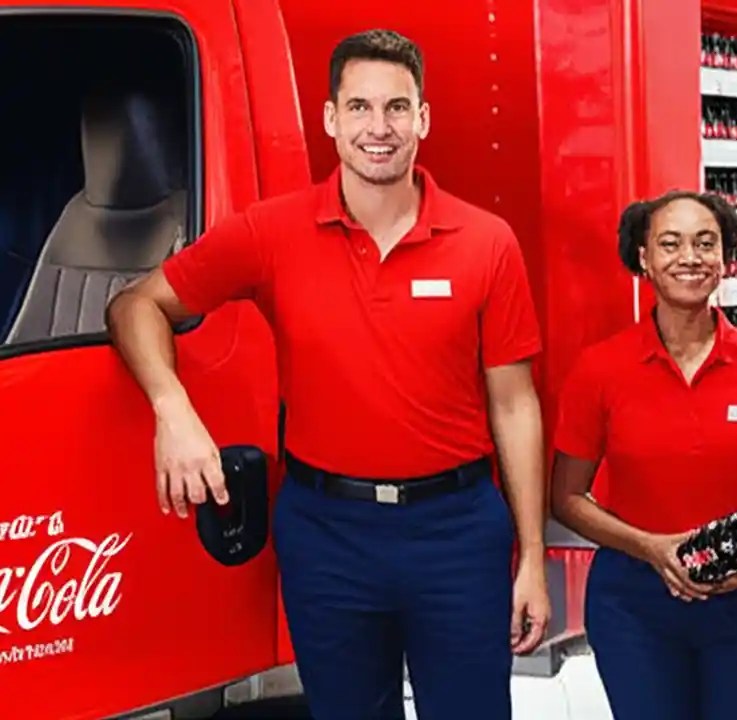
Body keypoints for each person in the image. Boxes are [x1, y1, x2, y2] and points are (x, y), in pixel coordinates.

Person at [105, 29, 550, 720]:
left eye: (398, 108)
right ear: (330, 118)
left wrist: (531, 556)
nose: (380, 128)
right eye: (362, 108)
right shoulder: (270, 232)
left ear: (423, 119)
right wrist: (174, 410)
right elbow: (137, 306)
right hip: (327, 532)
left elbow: (516, 406)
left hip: (457, 532)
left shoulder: (486, 243)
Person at [548, 190, 737, 720]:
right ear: (644, 258)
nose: (688, 257)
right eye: (670, 243)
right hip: (633, 602)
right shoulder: (601, 370)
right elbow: (566, 497)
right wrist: (652, 549)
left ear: (726, 257)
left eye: (705, 243)